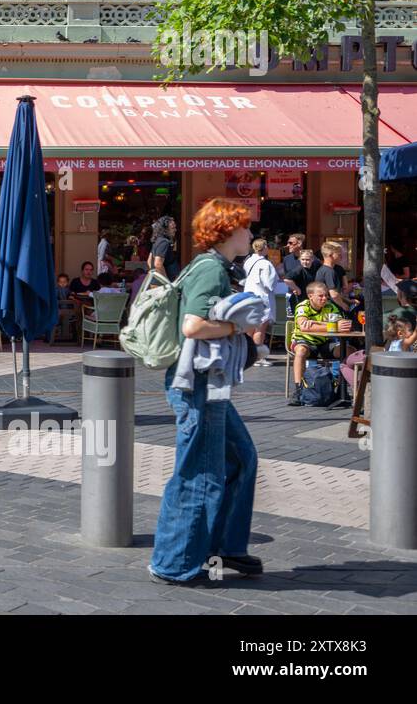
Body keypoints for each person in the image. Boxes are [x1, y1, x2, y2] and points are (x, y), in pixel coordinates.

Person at [149, 198, 260, 586]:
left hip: (208, 384)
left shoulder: (211, 266)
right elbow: (193, 326)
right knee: (199, 472)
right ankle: (174, 562)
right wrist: (238, 328)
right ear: (228, 230)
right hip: (198, 384)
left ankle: (225, 545)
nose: (251, 233)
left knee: (240, 458)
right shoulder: (211, 269)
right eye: (245, 226)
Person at [288, 281, 350, 407]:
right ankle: (298, 390)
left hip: (324, 343)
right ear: (310, 296)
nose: (324, 298)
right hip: (304, 341)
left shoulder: (330, 306)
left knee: (348, 350)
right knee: (301, 351)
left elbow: (343, 325)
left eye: (326, 295)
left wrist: (317, 323)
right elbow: (304, 327)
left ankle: (341, 389)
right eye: (320, 296)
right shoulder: (303, 306)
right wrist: (331, 326)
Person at [242, 238, 278, 367]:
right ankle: (257, 357)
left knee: (249, 328)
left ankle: (246, 355)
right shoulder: (266, 264)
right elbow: (269, 284)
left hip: (248, 296)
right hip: (262, 297)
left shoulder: (248, 261)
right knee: (260, 328)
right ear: (265, 247)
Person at [315, 241, 351, 314]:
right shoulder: (329, 272)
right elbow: (334, 295)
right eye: (339, 254)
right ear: (330, 255)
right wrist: (343, 305)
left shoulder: (323, 270)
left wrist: (348, 301)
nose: (341, 257)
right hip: (331, 309)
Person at [149, 216, 180, 281]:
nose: (175, 230)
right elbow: (158, 264)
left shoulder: (158, 240)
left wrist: (155, 276)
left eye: (175, 227)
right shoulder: (164, 242)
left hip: (156, 282)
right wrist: (166, 281)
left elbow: (149, 261)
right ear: (165, 229)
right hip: (162, 284)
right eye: (173, 228)